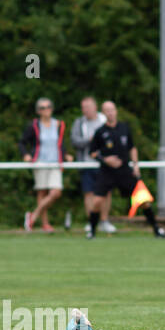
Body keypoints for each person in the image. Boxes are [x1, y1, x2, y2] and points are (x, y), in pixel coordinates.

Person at [85, 101, 165, 239]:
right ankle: (92, 231)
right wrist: (106, 160)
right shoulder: (100, 132)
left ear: (116, 111)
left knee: (143, 200)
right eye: (107, 110)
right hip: (106, 172)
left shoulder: (124, 128)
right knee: (97, 201)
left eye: (112, 110)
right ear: (103, 113)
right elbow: (92, 153)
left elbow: (132, 148)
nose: (110, 112)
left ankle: (156, 229)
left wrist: (135, 165)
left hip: (124, 171)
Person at [18, 98, 72, 233]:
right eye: (42, 108)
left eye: (48, 107)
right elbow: (22, 142)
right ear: (38, 111)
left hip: (55, 162)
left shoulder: (58, 125)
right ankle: (45, 224)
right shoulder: (34, 126)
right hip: (40, 162)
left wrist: (65, 155)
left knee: (55, 192)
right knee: (42, 192)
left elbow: (60, 144)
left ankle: (33, 216)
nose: (45, 110)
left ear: (52, 109)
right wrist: (25, 155)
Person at [70, 96, 111, 234]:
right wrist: (90, 140)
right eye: (83, 108)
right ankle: (91, 222)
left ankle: (104, 221)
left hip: (104, 164)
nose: (85, 110)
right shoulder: (79, 123)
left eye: (88, 107)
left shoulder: (104, 120)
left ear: (95, 107)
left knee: (106, 193)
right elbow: (75, 141)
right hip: (86, 163)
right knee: (89, 193)